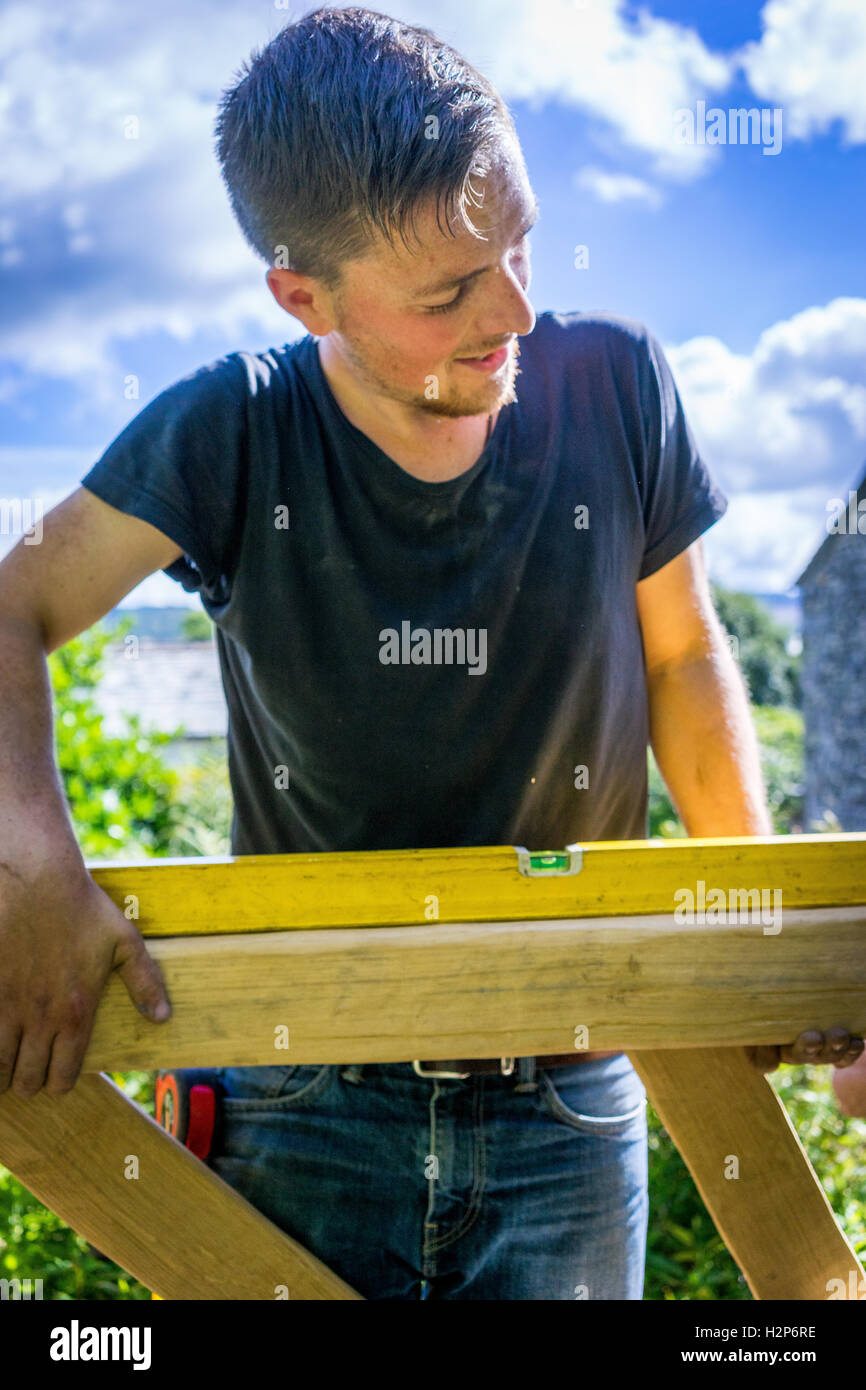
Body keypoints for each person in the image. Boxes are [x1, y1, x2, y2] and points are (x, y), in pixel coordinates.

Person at [0, 6, 861, 1301]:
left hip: (570, 1090)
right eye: (449, 289)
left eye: (516, 244)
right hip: (299, 1092)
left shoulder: (613, 382)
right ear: (304, 297)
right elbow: (14, 606)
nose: (511, 305)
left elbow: (683, 659)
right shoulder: (233, 428)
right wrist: (32, 865)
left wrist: (746, 934)